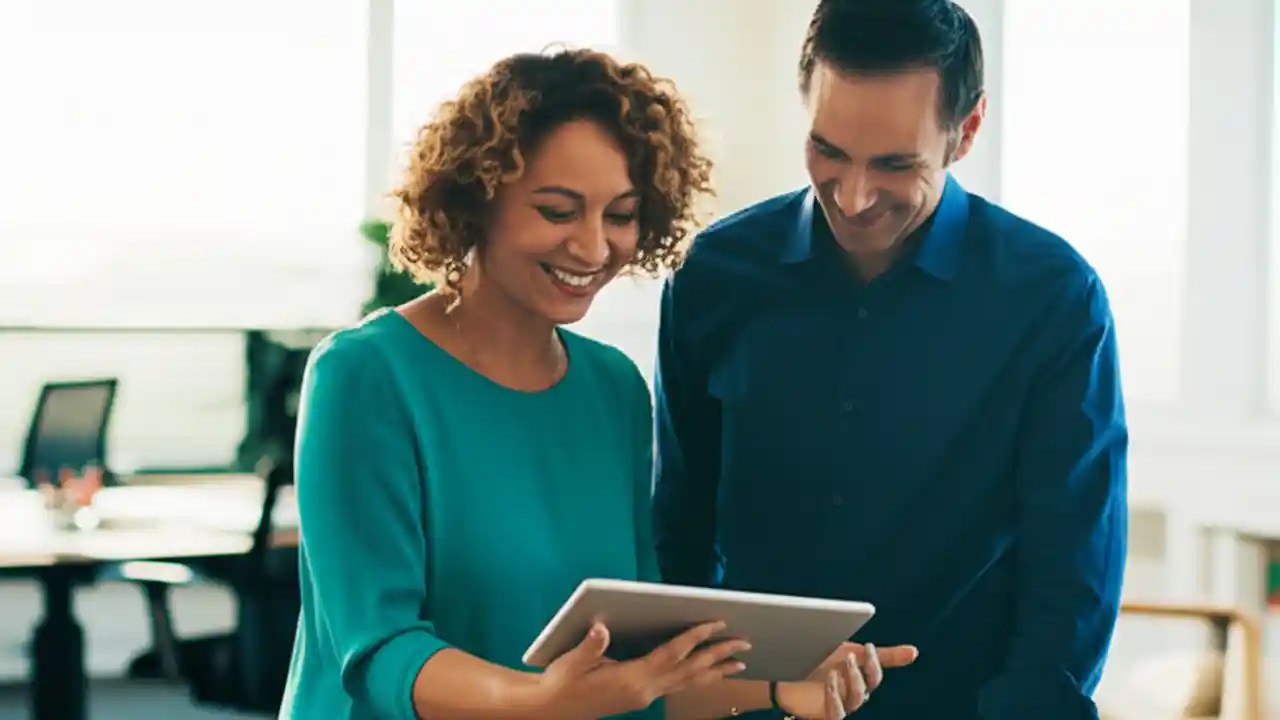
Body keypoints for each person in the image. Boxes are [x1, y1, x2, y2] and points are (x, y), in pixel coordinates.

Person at [278, 47, 916, 720]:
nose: (592, 247)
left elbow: (638, 678)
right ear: (476, 200)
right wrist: (545, 700)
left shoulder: (612, 389)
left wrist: (782, 685)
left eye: (619, 215)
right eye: (557, 211)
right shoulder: (366, 375)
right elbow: (378, 652)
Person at [652, 1, 1128, 718]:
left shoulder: (1053, 298)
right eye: (829, 152)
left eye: (895, 164)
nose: (854, 196)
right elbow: (680, 533)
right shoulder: (713, 277)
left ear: (966, 130)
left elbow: (1072, 574)